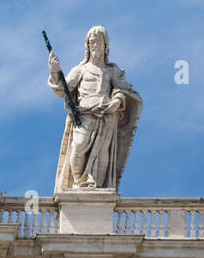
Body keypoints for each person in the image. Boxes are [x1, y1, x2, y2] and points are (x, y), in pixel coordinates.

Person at [49, 25, 142, 191]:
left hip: (106, 114)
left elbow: (124, 90)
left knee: (101, 151)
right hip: (84, 114)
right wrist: (55, 72)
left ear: (105, 46)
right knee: (78, 147)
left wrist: (117, 101)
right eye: (92, 43)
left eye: (99, 43)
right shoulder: (80, 70)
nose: (95, 46)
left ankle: (97, 186)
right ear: (87, 46)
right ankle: (78, 183)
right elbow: (63, 89)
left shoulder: (112, 71)